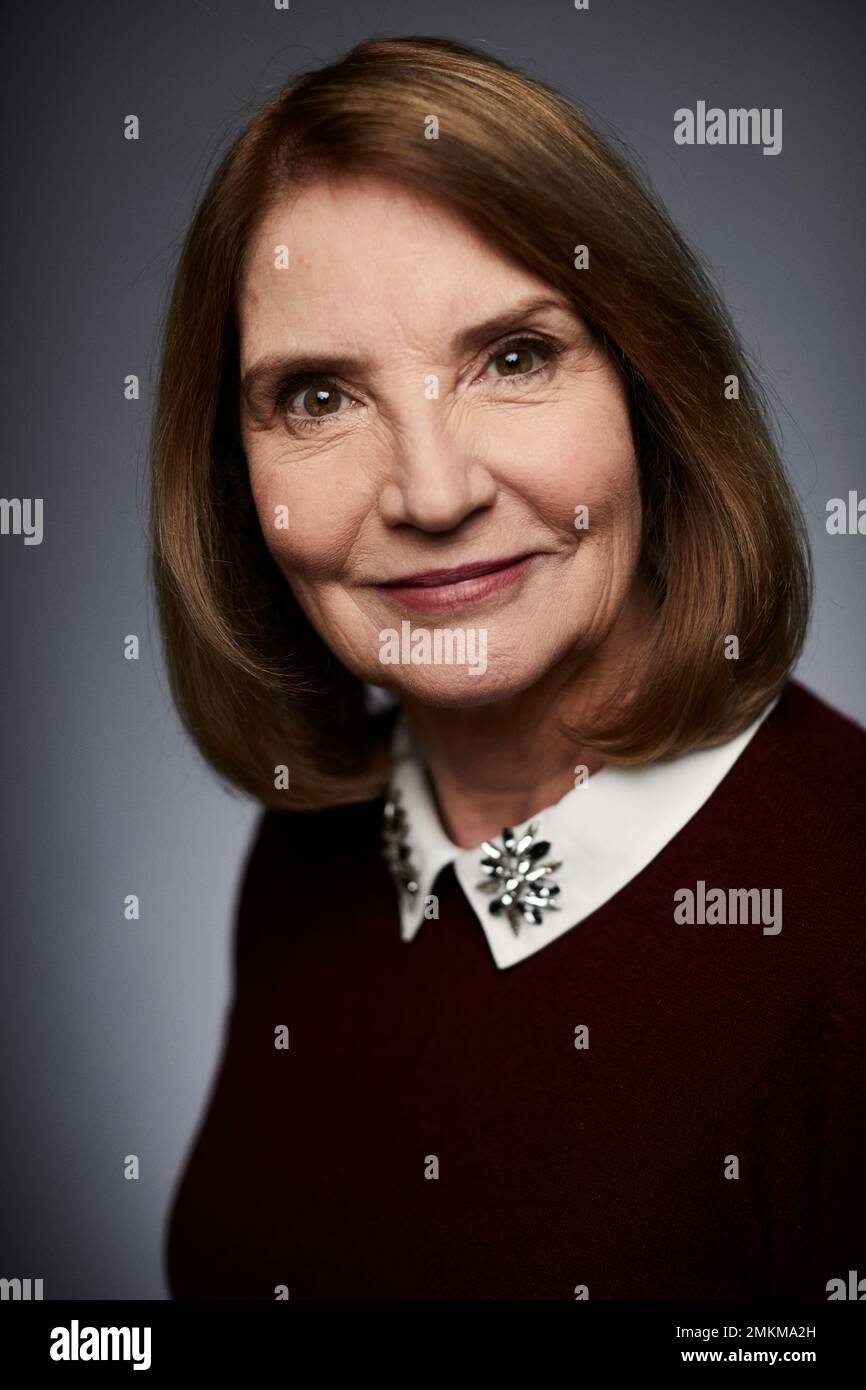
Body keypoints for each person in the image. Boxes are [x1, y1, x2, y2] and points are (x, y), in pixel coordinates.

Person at [153, 35, 866, 1299]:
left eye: (515, 357)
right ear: (232, 478)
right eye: (317, 397)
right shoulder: (308, 860)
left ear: (652, 388)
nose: (431, 493)